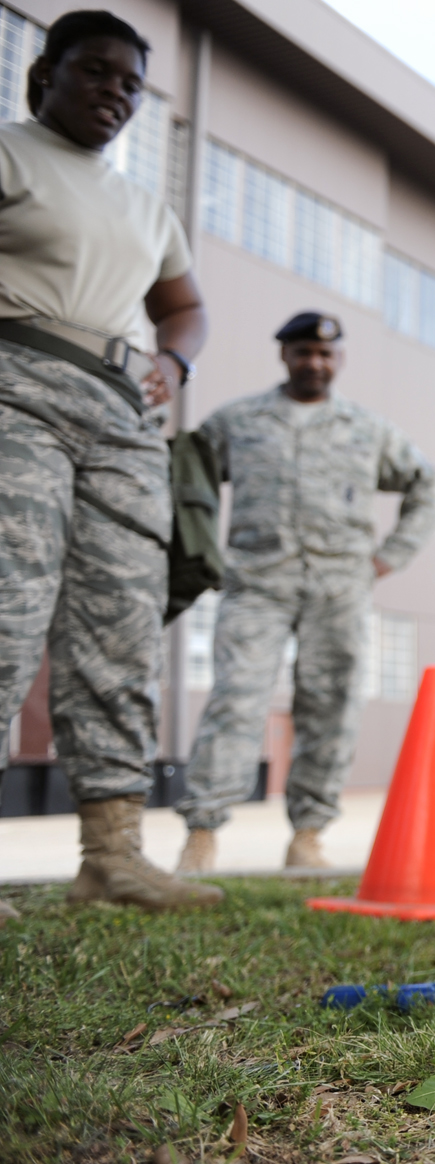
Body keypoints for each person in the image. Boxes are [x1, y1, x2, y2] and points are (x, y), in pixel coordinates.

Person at [0, 11, 215, 911]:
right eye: (95, 73)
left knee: (120, 625)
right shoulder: (11, 156)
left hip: (124, 417)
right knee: (8, 604)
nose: (115, 95)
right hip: (18, 387)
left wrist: (174, 361)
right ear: (41, 75)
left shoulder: (145, 205)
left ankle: (113, 853)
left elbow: (185, 306)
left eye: (131, 84)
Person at [174, 313, 435, 872]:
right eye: (303, 353)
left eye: (325, 354)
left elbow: (427, 485)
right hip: (256, 583)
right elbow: (187, 477)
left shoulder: (368, 430)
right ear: (285, 356)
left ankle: (308, 834)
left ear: (338, 359)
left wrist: (388, 557)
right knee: (236, 700)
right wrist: (205, 555)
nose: (314, 364)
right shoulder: (238, 421)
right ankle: (202, 832)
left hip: (339, 586)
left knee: (331, 706)